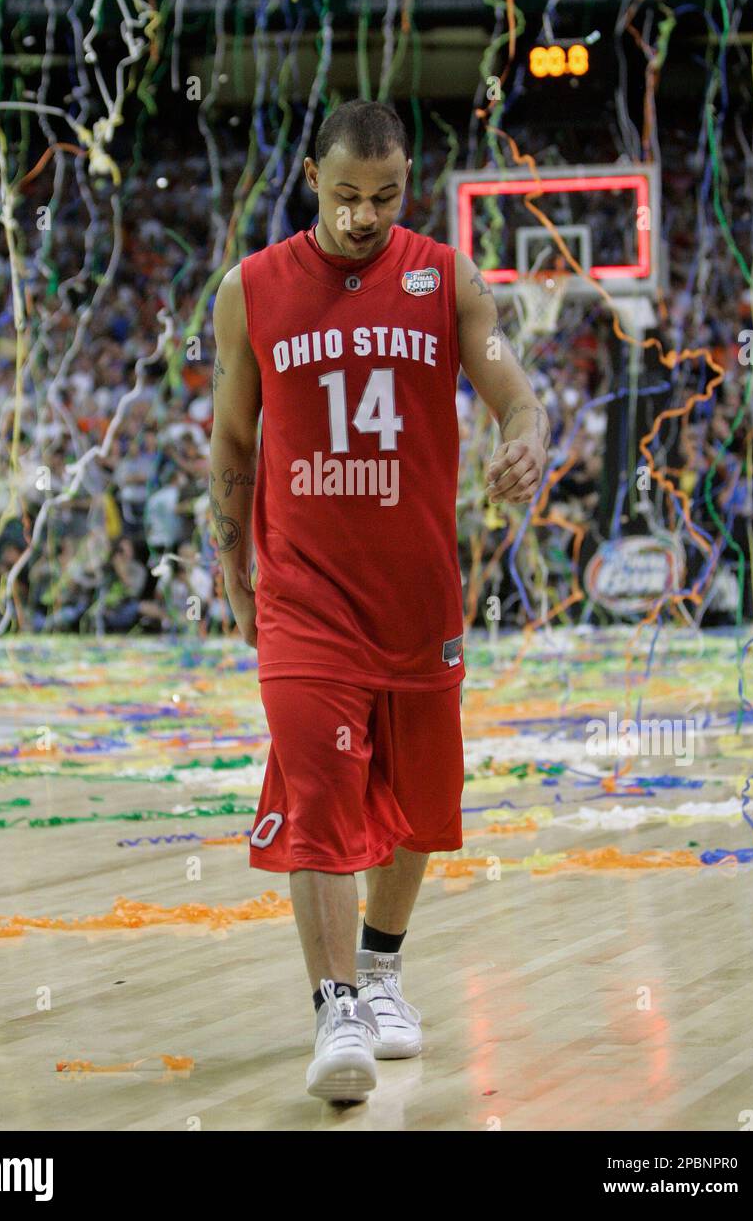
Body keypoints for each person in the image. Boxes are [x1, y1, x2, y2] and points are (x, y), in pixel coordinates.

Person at [209, 100, 550, 1103]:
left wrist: (524, 437)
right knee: (316, 792)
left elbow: (514, 391)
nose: (365, 216)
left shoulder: (446, 280)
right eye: (348, 195)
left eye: (387, 196)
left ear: (410, 184)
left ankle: (382, 965)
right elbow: (231, 446)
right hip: (303, 597)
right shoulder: (251, 290)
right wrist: (235, 574)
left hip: (415, 594)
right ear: (312, 176)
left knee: (421, 803)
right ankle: (333, 1006)